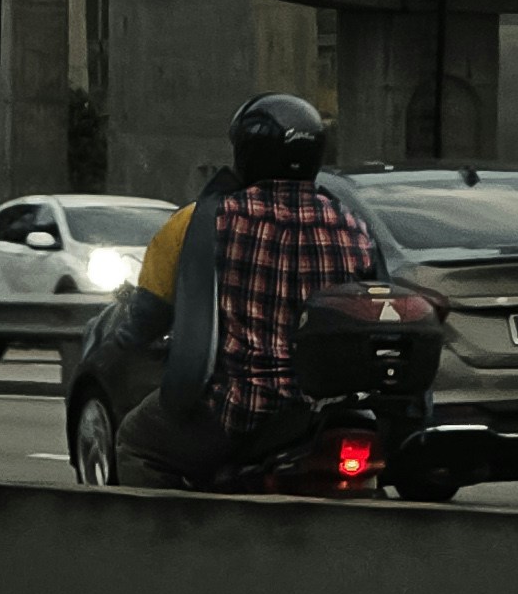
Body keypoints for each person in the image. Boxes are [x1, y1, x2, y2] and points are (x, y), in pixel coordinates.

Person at [116, 93, 379, 489]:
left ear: (247, 152)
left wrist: (122, 342)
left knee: (135, 442)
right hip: (324, 411)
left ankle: (171, 531)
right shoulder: (353, 226)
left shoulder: (206, 220)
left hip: (238, 408)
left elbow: (148, 319)